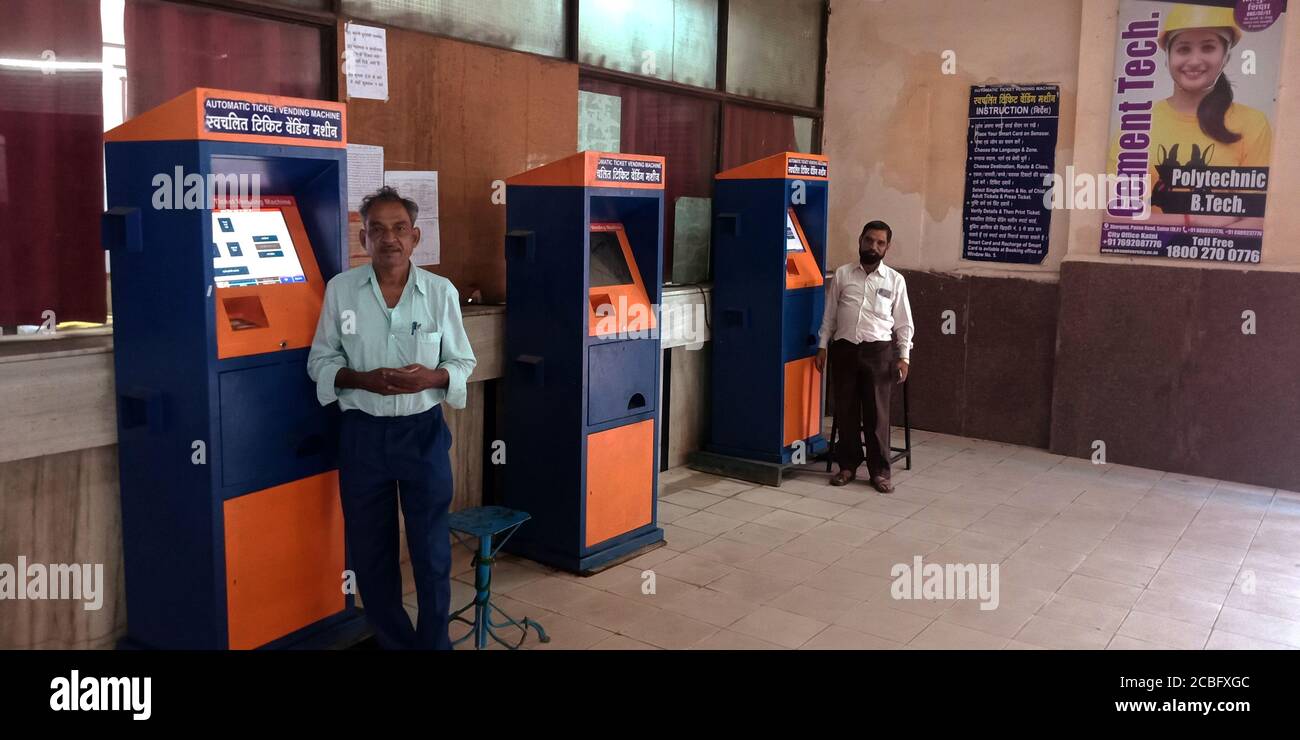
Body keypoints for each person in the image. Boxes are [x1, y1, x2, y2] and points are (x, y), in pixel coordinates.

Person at [307, 186, 476, 649]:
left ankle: (434, 644)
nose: (389, 239)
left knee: (432, 552)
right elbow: (319, 362)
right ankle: (396, 642)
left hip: (421, 435)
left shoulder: (440, 293)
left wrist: (431, 379)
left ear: (415, 237)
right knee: (371, 554)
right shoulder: (342, 290)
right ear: (363, 239)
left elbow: (463, 363)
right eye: (377, 229)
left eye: (399, 228)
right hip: (363, 436)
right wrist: (361, 380)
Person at [1108, 3, 1272, 229]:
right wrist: (1191, 220)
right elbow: (1114, 213)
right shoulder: (1136, 123)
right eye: (1183, 49)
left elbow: (1257, 219)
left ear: (1225, 56)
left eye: (1208, 48)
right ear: (1167, 57)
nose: (1194, 61)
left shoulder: (1253, 123)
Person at [815, 220, 913, 493]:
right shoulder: (844, 275)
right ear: (860, 240)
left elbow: (904, 323)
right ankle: (847, 465)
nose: (873, 246)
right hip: (844, 349)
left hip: (878, 353)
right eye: (869, 240)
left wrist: (903, 356)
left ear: (887, 248)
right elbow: (830, 315)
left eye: (880, 243)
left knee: (876, 415)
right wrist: (822, 346)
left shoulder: (895, 280)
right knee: (845, 412)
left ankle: (880, 472)